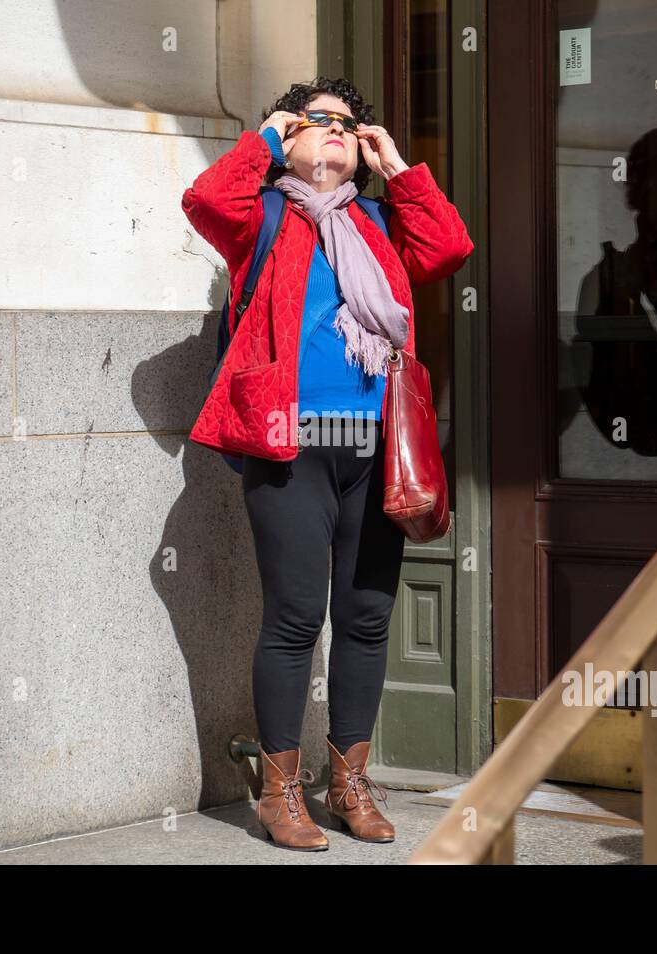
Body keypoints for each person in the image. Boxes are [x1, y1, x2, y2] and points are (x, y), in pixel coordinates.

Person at [181, 77, 473, 850]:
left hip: (375, 447)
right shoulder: (264, 214)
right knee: (295, 615)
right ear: (288, 135)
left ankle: (347, 784)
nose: (336, 131)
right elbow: (208, 201)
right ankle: (280, 794)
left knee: (369, 617)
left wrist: (401, 168)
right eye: (318, 121)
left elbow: (448, 248)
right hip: (289, 445)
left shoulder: (379, 219)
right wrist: (268, 137)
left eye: (350, 125)